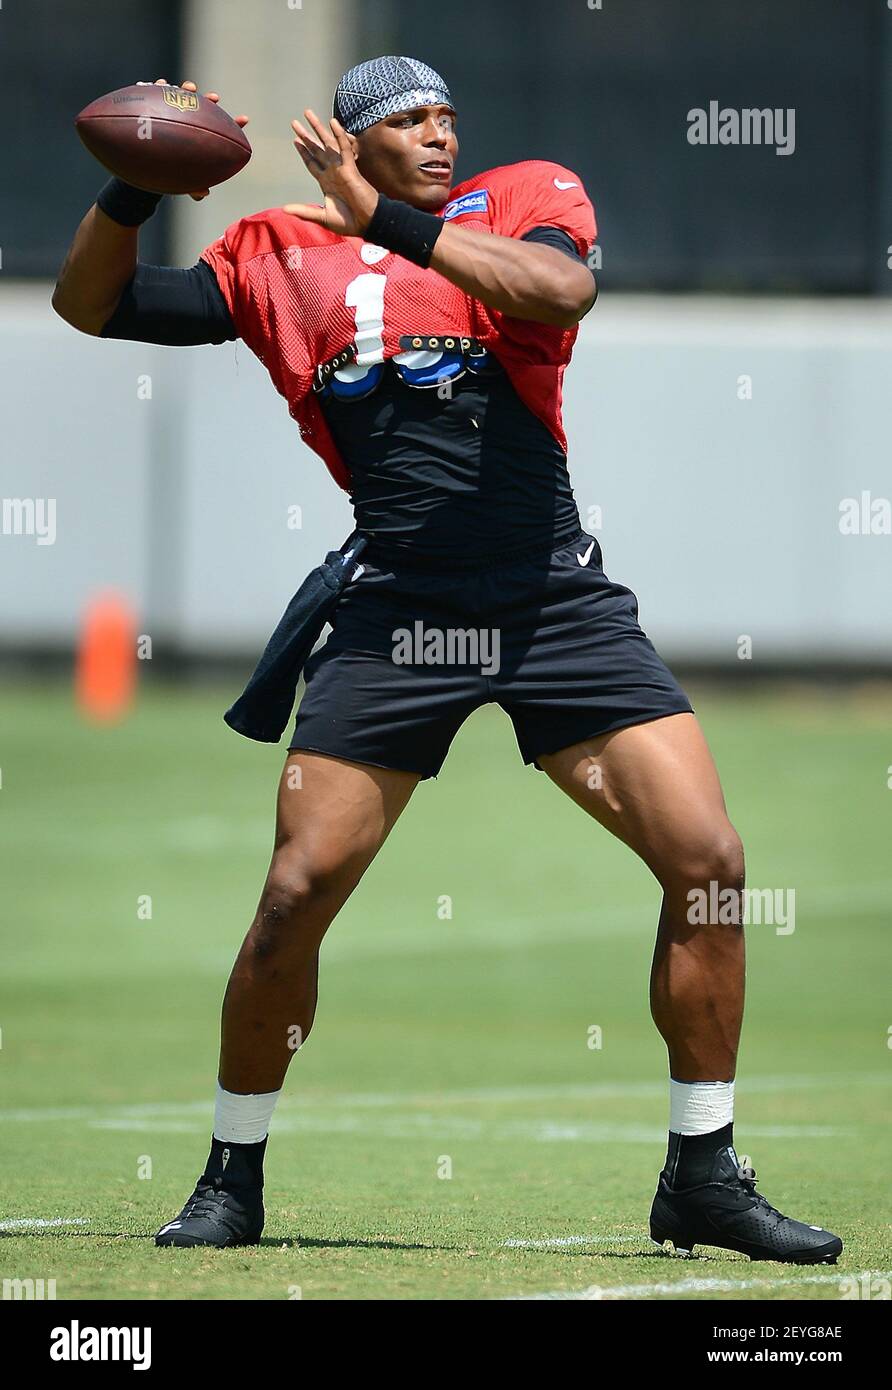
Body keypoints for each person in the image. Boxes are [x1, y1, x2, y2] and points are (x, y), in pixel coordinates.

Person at [53, 56, 841, 1263]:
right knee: (293, 895)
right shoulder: (272, 251)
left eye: (446, 117)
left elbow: (558, 293)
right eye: (409, 120)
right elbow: (94, 309)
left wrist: (391, 223)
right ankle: (230, 1178)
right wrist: (126, 191)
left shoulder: (518, 197)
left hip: (551, 601)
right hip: (394, 610)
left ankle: (702, 1171)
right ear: (353, 138)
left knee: (711, 860)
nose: (439, 135)